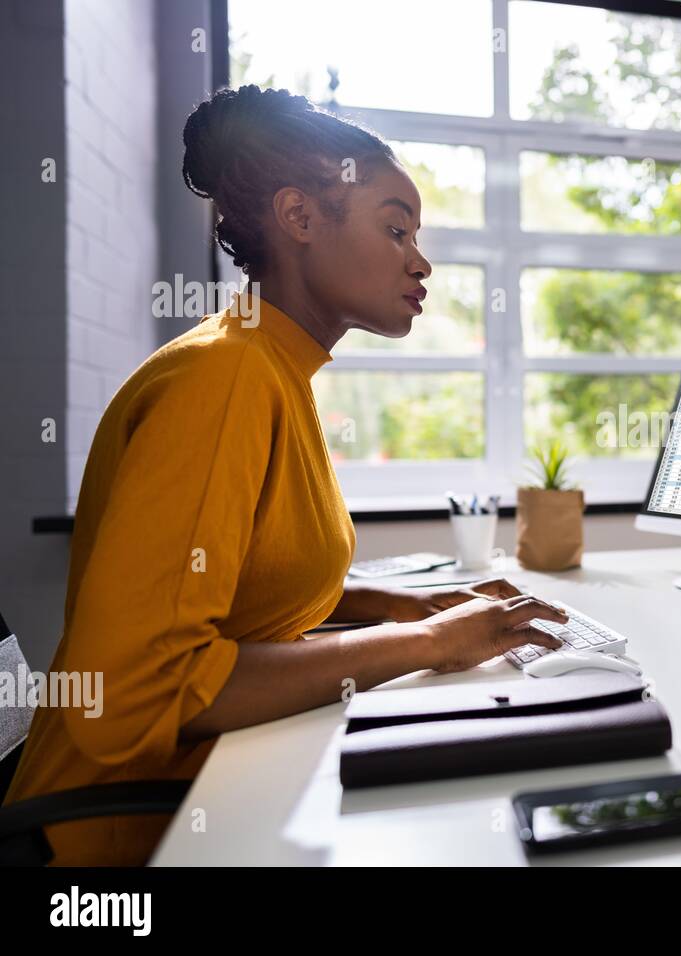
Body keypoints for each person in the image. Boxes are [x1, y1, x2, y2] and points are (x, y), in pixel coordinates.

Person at [2, 86, 566, 866]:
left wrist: (387, 602)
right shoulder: (226, 378)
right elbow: (133, 693)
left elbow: (236, 586)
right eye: (395, 227)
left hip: (197, 798)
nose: (420, 259)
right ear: (300, 218)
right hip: (105, 848)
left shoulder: (270, 368)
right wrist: (423, 641)